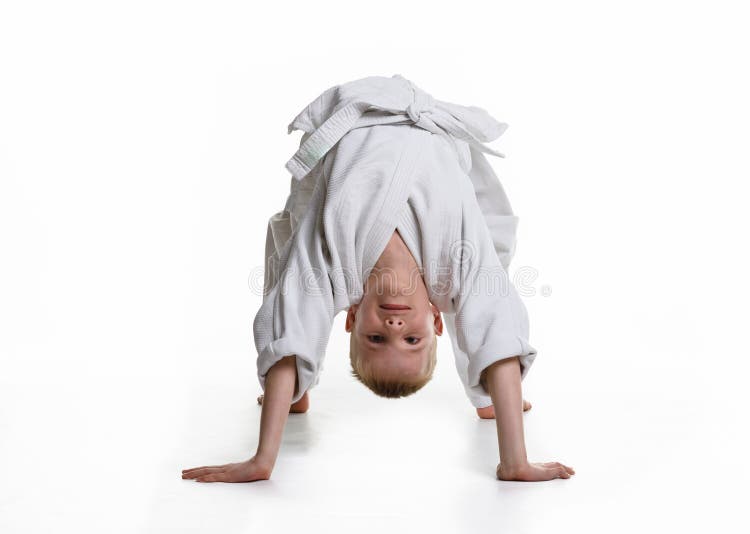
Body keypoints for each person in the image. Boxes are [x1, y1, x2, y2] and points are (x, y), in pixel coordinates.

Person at [182, 74, 574, 483]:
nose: (394, 327)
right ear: (436, 321)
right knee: (489, 290)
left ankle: (293, 393)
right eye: (412, 339)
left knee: (288, 270)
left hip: (356, 118)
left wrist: (262, 460)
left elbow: (293, 330)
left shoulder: (335, 266)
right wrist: (515, 461)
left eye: (375, 339)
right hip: (435, 131)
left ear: (351, 318)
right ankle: (492, 395)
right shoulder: (455, 265)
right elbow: (498, 333)